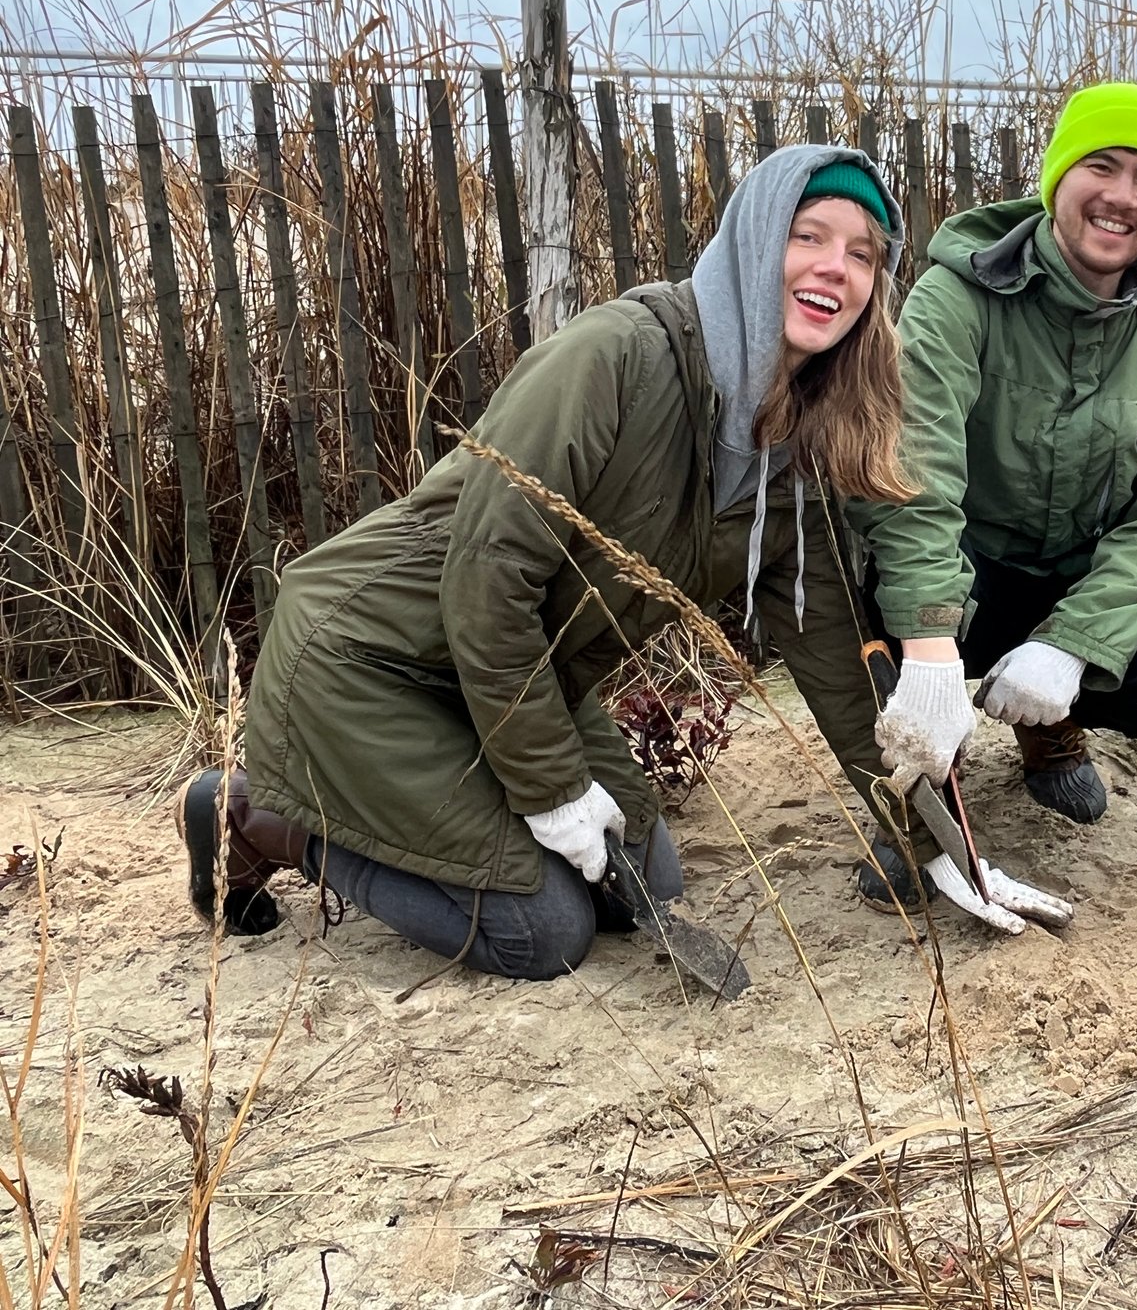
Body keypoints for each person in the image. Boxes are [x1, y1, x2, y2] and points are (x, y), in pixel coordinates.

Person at [178, 146, 930, 979]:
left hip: (511, 678)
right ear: (755, 242)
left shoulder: (796, 439)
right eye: (809, 236)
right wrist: (552, 792)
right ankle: (260, 818)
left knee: (648, 882)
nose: (836, 267)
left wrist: (924, 834)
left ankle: (430, 811)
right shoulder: (618, 356)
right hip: (372, 660)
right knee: (542, 931)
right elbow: (488, 579)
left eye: (863, 253)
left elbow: (827, 645)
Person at [854, 82, 1137, 917]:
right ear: (1057, 176)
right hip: (966, 567)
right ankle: (919, 795)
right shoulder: (955, 299)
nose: (1123, 196)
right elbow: (917, 479)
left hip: (1079, 575)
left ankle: (1045, 718)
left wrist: (1070, 644)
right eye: (1101, 165)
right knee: (880, 627)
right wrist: (929, 649)